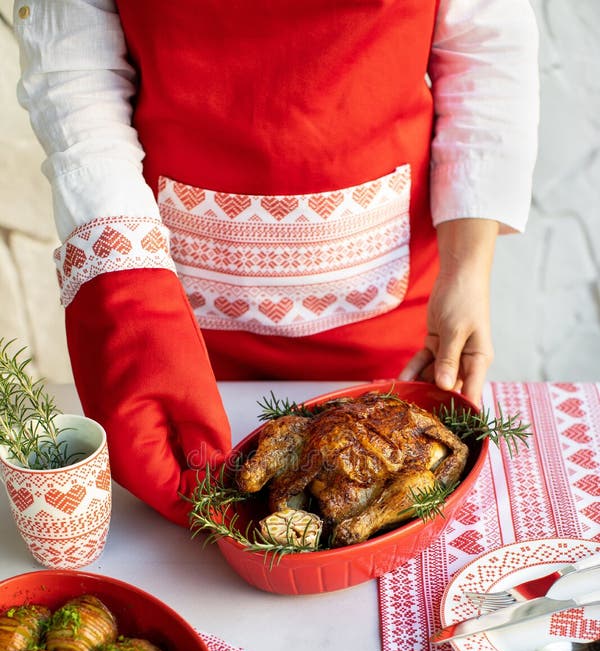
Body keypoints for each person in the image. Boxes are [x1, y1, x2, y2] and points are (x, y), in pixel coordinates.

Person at [14, 0, 539, 526]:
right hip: (182, 329)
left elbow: (485, 49)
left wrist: (467, 270)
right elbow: (75, 71)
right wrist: (126, 294)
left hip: (388, 318)